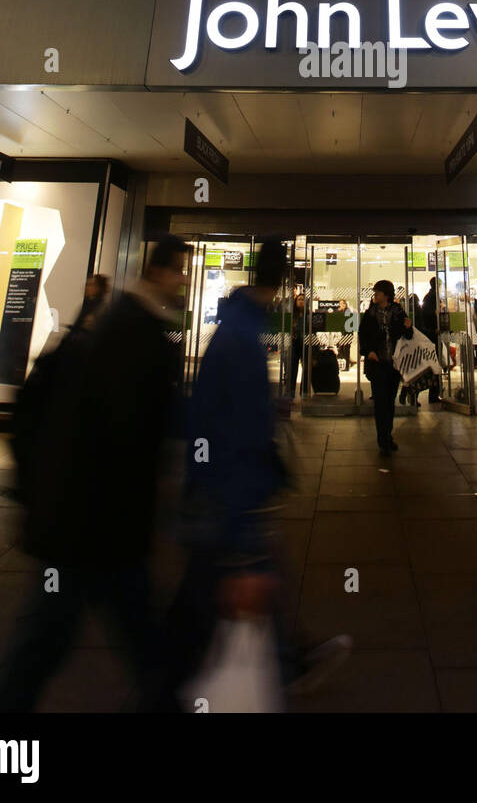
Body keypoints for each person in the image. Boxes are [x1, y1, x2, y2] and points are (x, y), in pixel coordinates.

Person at [0, 234, 187, 711]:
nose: (183, 282)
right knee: (63, 635)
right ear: (159, 272)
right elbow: (127, 429)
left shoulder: (115, 324)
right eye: (180, 271)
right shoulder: (136, 334)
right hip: (96, 520)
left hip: (84, 517)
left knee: (70, 632)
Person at [156, 237, 351, 708]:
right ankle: (273, 668)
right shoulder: (243, 339)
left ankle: (284, 661)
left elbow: (212, 415)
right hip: (226, 501)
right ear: (282, 283)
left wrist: (269, 407)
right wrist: (242, 532)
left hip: (212, 495)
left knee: (203, 601)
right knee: (231, 588)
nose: (184, 279)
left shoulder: (236, 328)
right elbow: (231, 437)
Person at [360, 279, 412, 456]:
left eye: (377, 292)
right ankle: (383, 439)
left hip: (394, 364)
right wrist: (369, 352)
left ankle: (387, 436)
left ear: (386, 295)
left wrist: (408, 327)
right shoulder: (370, 313)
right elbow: (363, 335)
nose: (375, 295)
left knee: (389, 402)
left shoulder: (397, 311)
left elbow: (408, 334)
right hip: (378, 363)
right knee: (381, 403)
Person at [421, 277, 443, 404]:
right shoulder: (432, 297)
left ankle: (434, 393)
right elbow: (431, 314)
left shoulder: (428, 297)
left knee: (433, 364)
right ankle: (434, 394)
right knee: (435, 364)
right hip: (433, 334)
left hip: (431, 334)